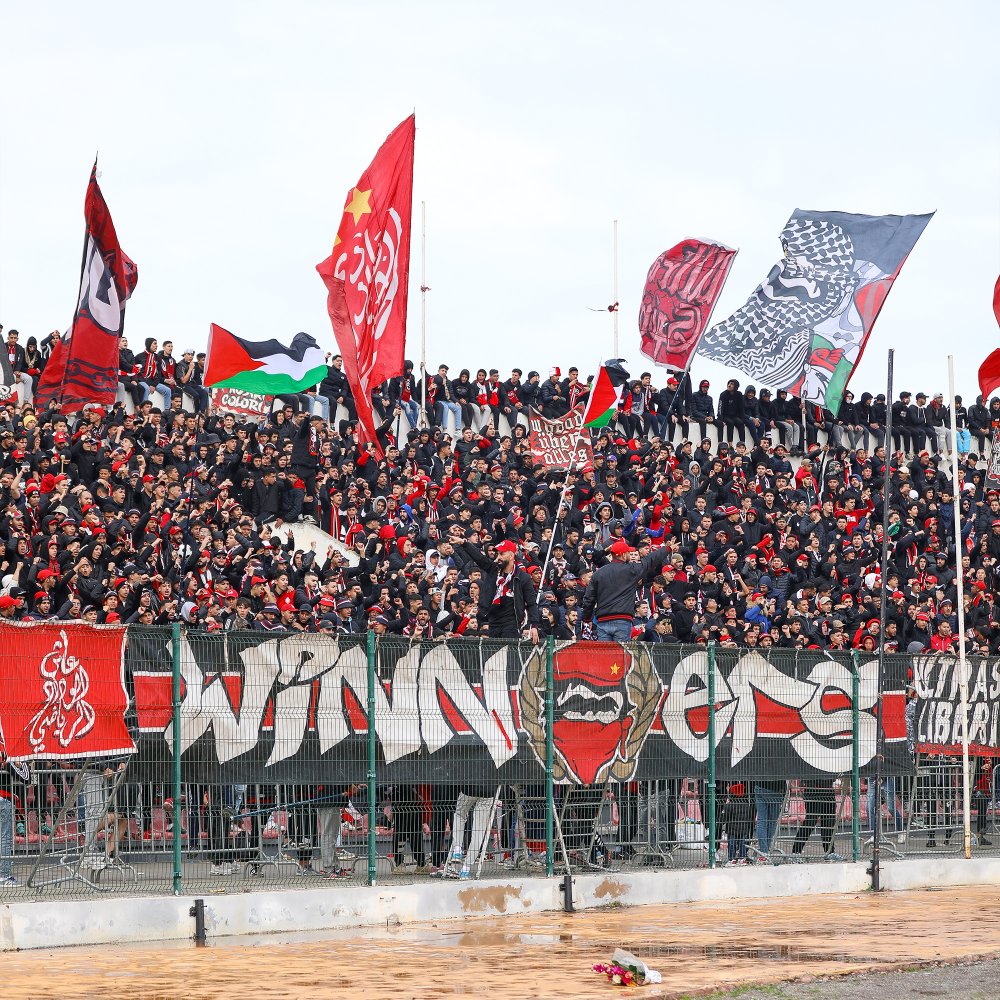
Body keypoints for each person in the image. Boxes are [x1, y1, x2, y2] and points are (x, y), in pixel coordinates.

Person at [581, 538, 670, 642]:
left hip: (603, 621)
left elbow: (589, 598)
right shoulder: (631, 569)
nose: (630, 554)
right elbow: (650, 560)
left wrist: (587, 618)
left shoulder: (598, 573)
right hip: (622, 621)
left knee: (606, 656)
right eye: (628, 552)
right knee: (621, 656)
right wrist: (667, 549)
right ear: (623, 555)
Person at [789, 777, 842, 862]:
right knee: (810, 821)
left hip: (828, 789)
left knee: (829, 822)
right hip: (813, 789)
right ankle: (796, 852)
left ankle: (829, 852)